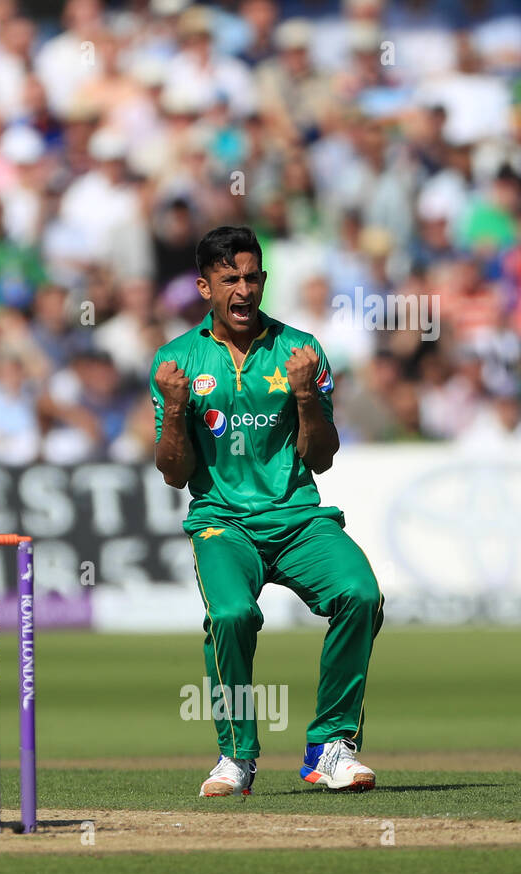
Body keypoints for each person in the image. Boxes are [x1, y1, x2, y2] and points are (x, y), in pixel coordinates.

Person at [149, 226, 383, 797]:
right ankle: (236, 757)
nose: (244, 290)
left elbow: (321, 459)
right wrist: (176, 410)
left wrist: (306, 396)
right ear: (206, 287)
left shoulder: (301, 350)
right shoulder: (176, 360)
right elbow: (174, 473)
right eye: (230, 279)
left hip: (298, 517)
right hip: (221, 524)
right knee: (231, 615)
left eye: (252, 277)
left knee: (361, 593)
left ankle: (330, 747)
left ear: (264, 280)